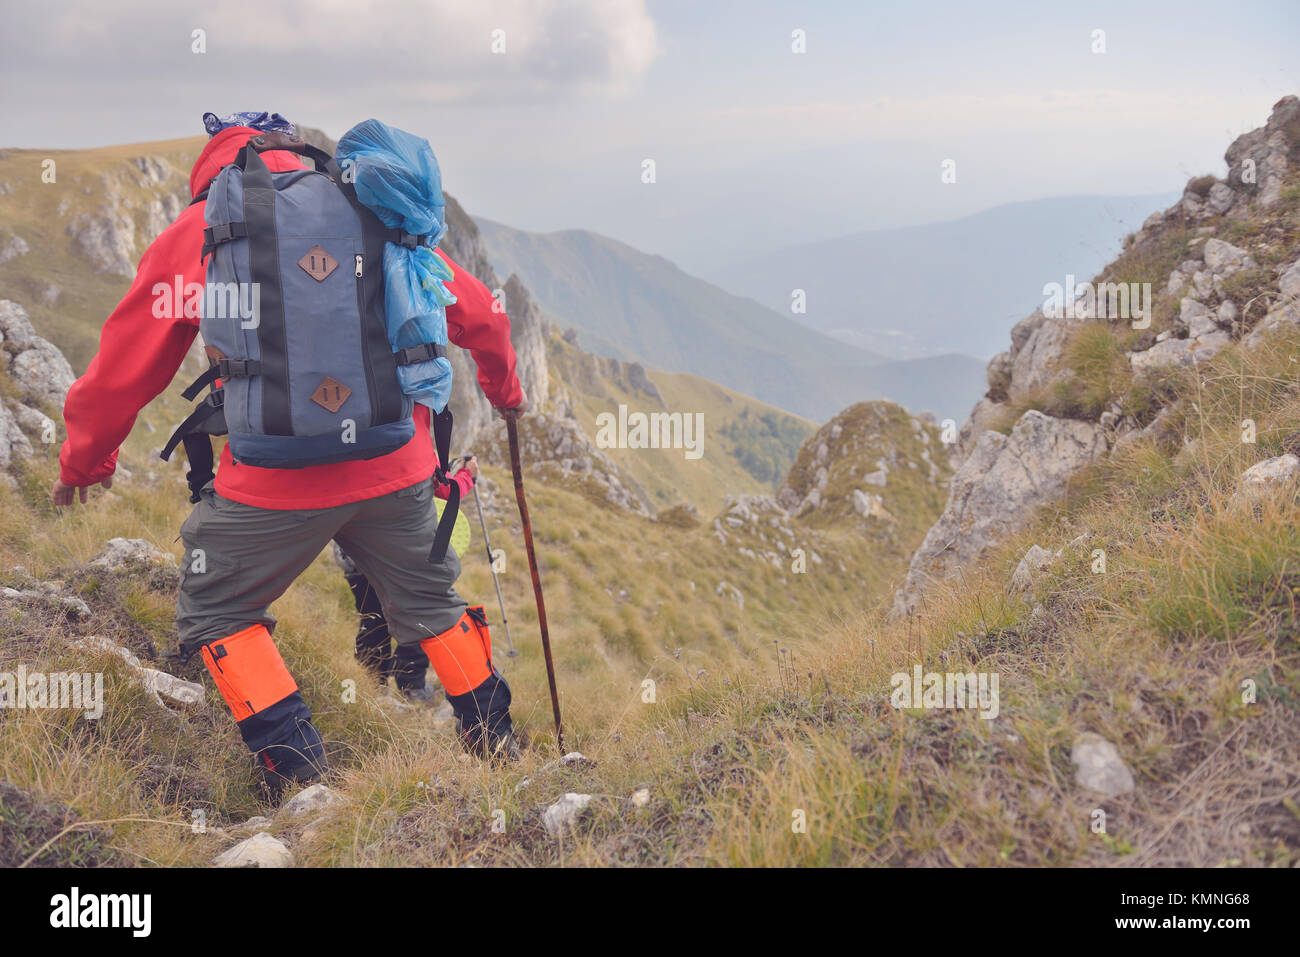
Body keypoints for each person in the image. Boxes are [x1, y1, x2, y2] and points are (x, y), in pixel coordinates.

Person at [54, 111, 526, 799]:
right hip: (395, 467)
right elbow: (481, 313)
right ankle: (501, 755)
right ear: (298, 155)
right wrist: (505, 391)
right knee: (432, 600)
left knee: (216, 608)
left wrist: (84, 463)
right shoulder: (375, 209)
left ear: (215, 173)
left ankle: (304, 778)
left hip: (273, 482)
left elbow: (121, 373)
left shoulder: (205, 229)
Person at [339, 455, 478, 703]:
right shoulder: (404, 433)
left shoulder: (342, 438)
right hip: (398, 551)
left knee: (372, 618)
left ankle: (373, 687)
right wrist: (467, 475)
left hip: (353, 547)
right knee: (415, 613)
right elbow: (445, 491)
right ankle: (412, 689)